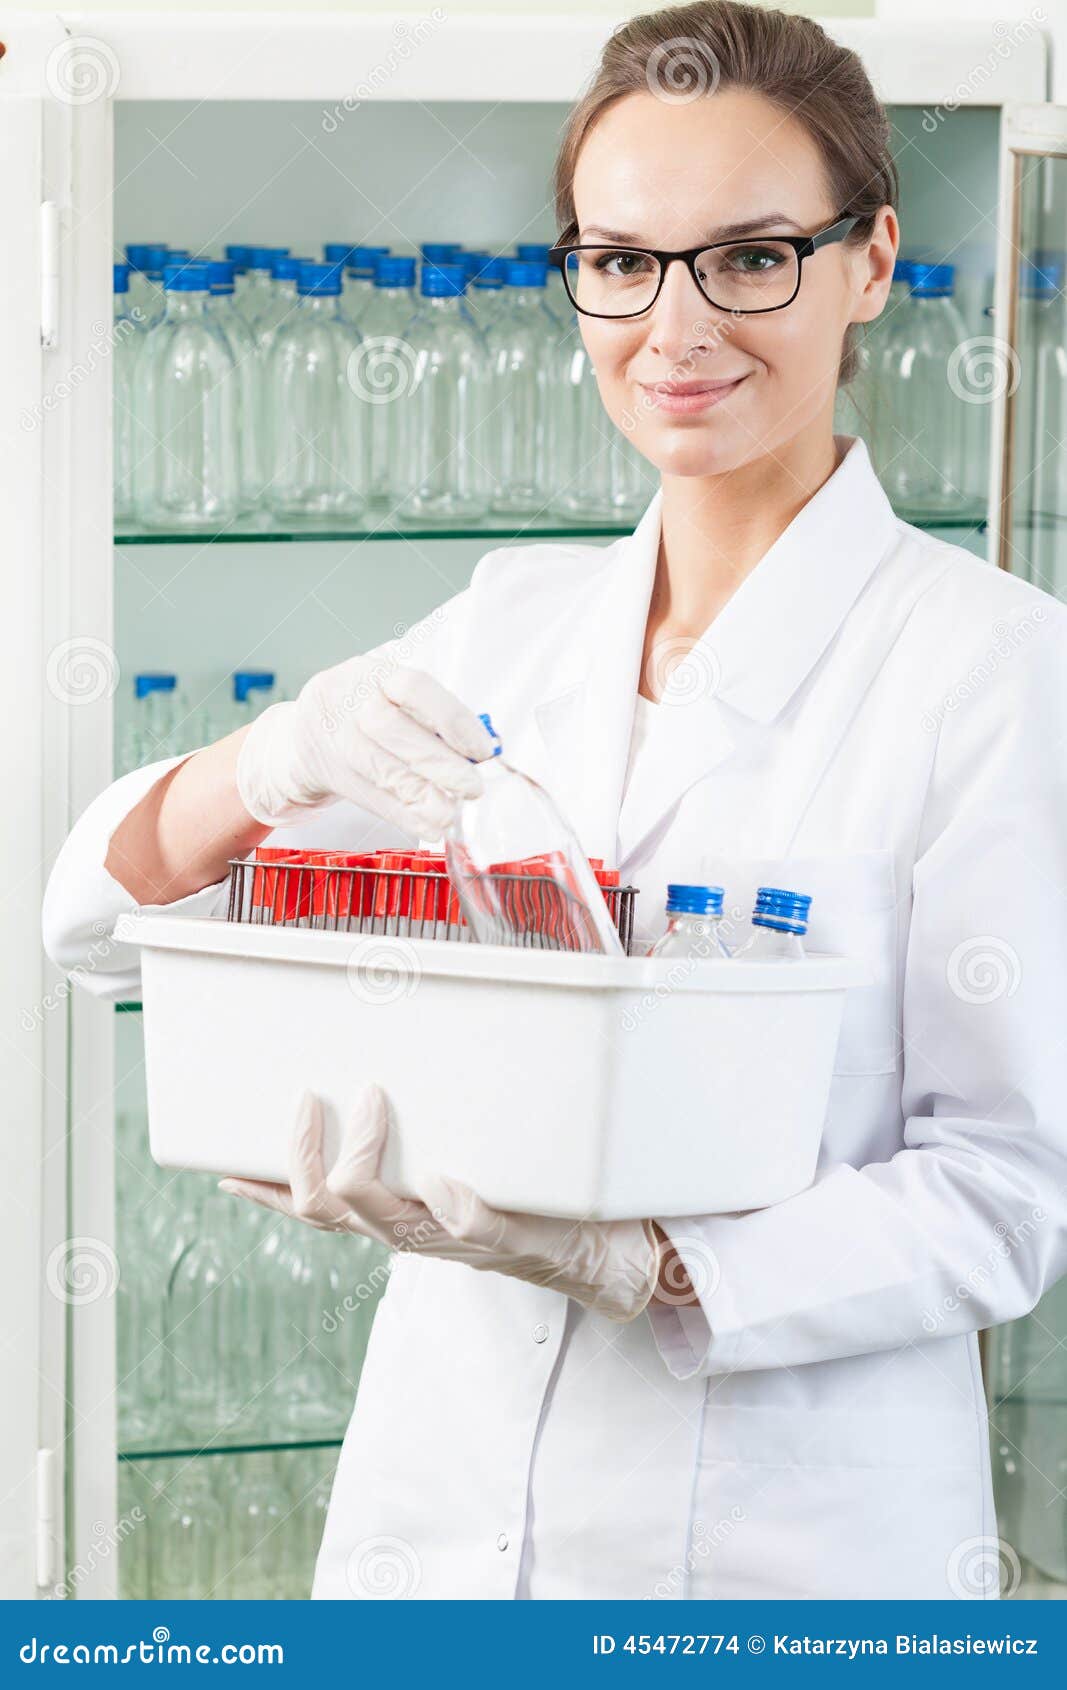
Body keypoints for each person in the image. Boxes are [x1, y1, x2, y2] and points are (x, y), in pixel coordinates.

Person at [43, 1, 1067, 1600]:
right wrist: (268, 764)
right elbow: (96, 929)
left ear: (869, 262)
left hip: (780, 1574)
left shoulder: (994, 673)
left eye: (751, 256)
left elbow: (1004, 1197)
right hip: (429, 1543)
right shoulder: (509, 628)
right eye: (620, 259)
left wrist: (645, 1265)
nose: (677, 325)